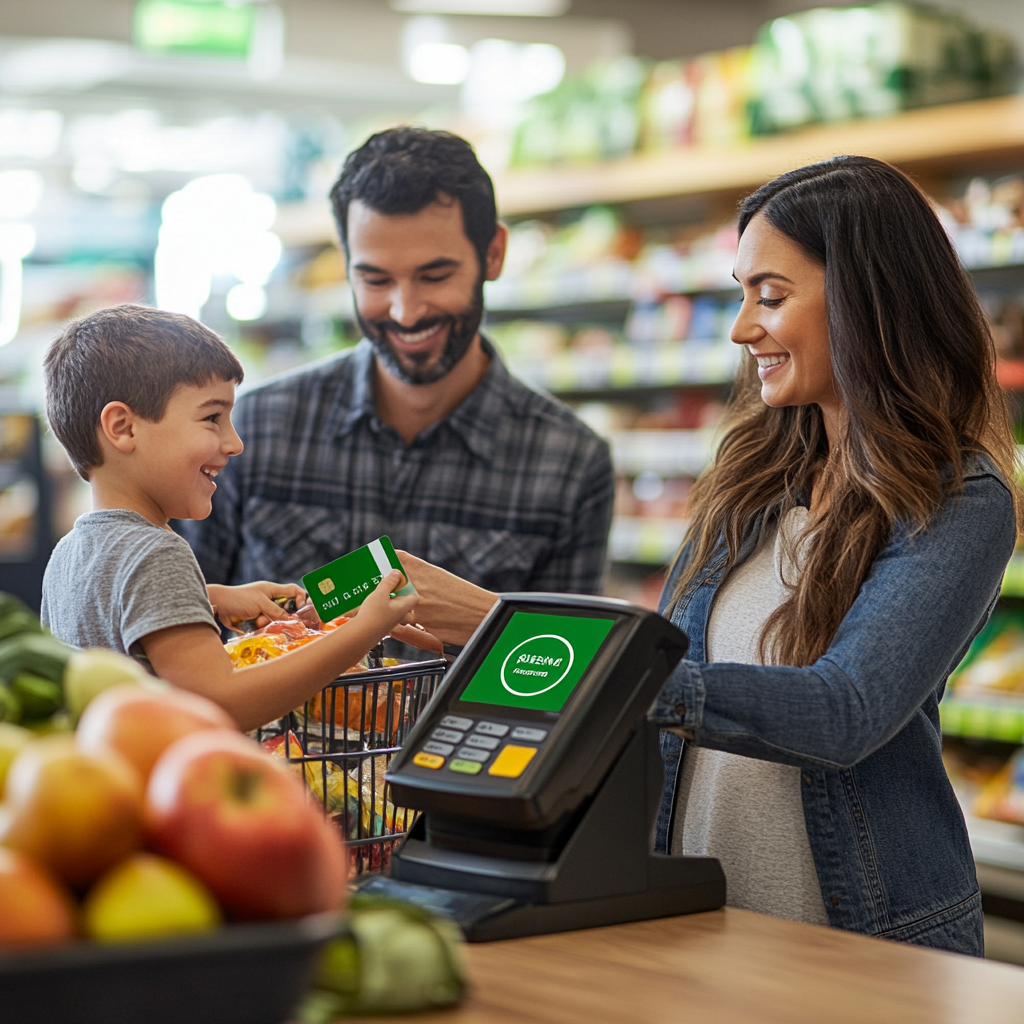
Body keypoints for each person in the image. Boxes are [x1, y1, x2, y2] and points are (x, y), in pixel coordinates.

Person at [396, 156, 1020, 957]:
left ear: (868, 301)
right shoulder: (746, 484)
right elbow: (669, 681)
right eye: (741, 294)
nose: (740, 327)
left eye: (772, 295)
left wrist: (503, 625)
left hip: (864, 938)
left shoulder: (961, 498)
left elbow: (844, 712)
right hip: (702, 923)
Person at [182, 127, 614, 598]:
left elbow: (560, 661)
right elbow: (181, 621)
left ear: (493, 254)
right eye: (375, 280)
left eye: (434, 275)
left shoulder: (570, 462)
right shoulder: (255, 428)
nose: (405, 311)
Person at [40, 305, 417, 731]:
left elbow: (115, 618)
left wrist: (207, 596)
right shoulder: (158, 553)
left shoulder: (68, 553)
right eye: (212, 418)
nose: (234, 443)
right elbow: (223, 705)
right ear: (123, 427)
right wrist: (362, 632)